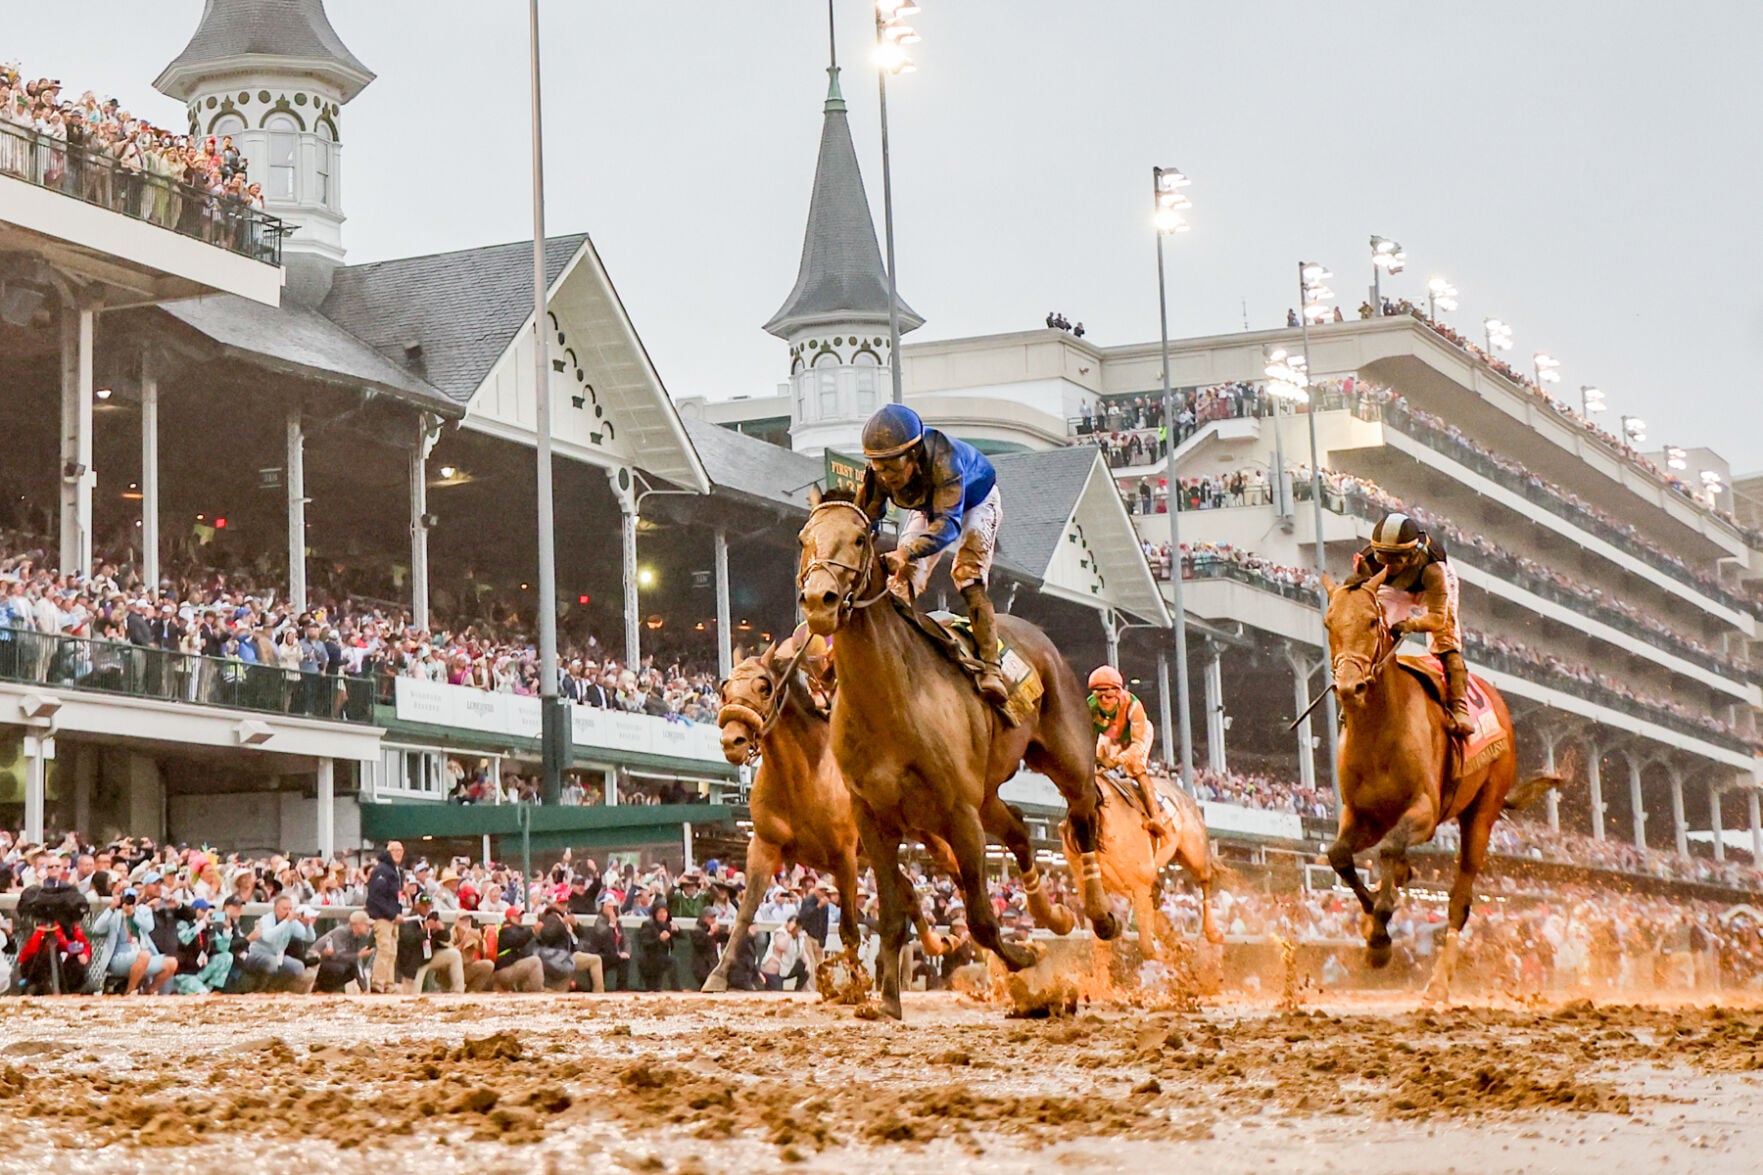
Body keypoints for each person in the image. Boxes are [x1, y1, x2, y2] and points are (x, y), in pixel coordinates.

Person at [854, 404, 1009, 705]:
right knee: (900, 584)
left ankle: (992, 668)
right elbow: (864, 519)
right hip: (929, 508)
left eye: (891, 466)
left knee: (967, 577)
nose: (885, 476)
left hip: (975, 503)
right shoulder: (879, 473)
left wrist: (906, 551)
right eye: (878, 466)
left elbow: (948, 525)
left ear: (913, 455)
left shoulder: (943, 460)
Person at [1352, 511, 1474, 736]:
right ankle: (1359, 690)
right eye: (1383, 557)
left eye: (1396, 559)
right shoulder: (1368, 562)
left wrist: (1411, 625)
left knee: (1445, 641)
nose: (1389, 566)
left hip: (1431, 590)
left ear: (1414, 553)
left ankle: (1459, 708)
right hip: (1395, 590)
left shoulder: (1434, 568)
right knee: (1373, 630)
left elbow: (1438, 620)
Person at [1087, 665, 1174, 840]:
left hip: (1137, 735)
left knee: (1135, 768)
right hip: (1111, 734)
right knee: (1093, 763)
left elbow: (1137, 745)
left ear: (1118, 692)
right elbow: (1088, 738)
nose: (1103, 700)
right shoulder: (1090, 705)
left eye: (1109, 695)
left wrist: (1117, 760)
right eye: (1099, 695)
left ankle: (1156, 817)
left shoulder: (1134, 706)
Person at [365, 840, 404, 992]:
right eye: (395, 851)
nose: (399, 854)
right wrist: (393, 913)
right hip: (383, 917)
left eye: (401, 850)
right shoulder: (382, 870)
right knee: (384, 949)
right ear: (389, 852)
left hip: (393, 917)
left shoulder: (396, 871)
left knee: (392, 951)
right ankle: (378, 982)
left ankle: (389, 982)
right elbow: (376, 897)